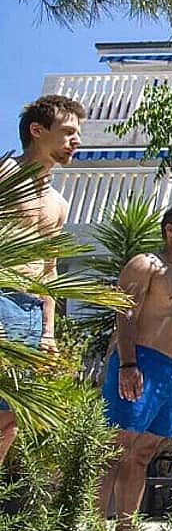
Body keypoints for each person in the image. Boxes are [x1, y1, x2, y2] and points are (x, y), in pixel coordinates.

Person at [97, 206, 172, 531]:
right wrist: (128, 363)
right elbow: (125, 313)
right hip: (140, 360)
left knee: (144, 452)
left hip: (170, 372)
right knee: (116, 447)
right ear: (171, 230)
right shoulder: (145, 264)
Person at [0, 95, 85, 466]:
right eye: (67, 132)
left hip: (31, 312)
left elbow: (50, 270)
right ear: (37, 131)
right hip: (2, 297)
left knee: (9, 419)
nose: (76, 140)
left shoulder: (58, 203)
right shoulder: (4, 176)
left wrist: (48, 331)